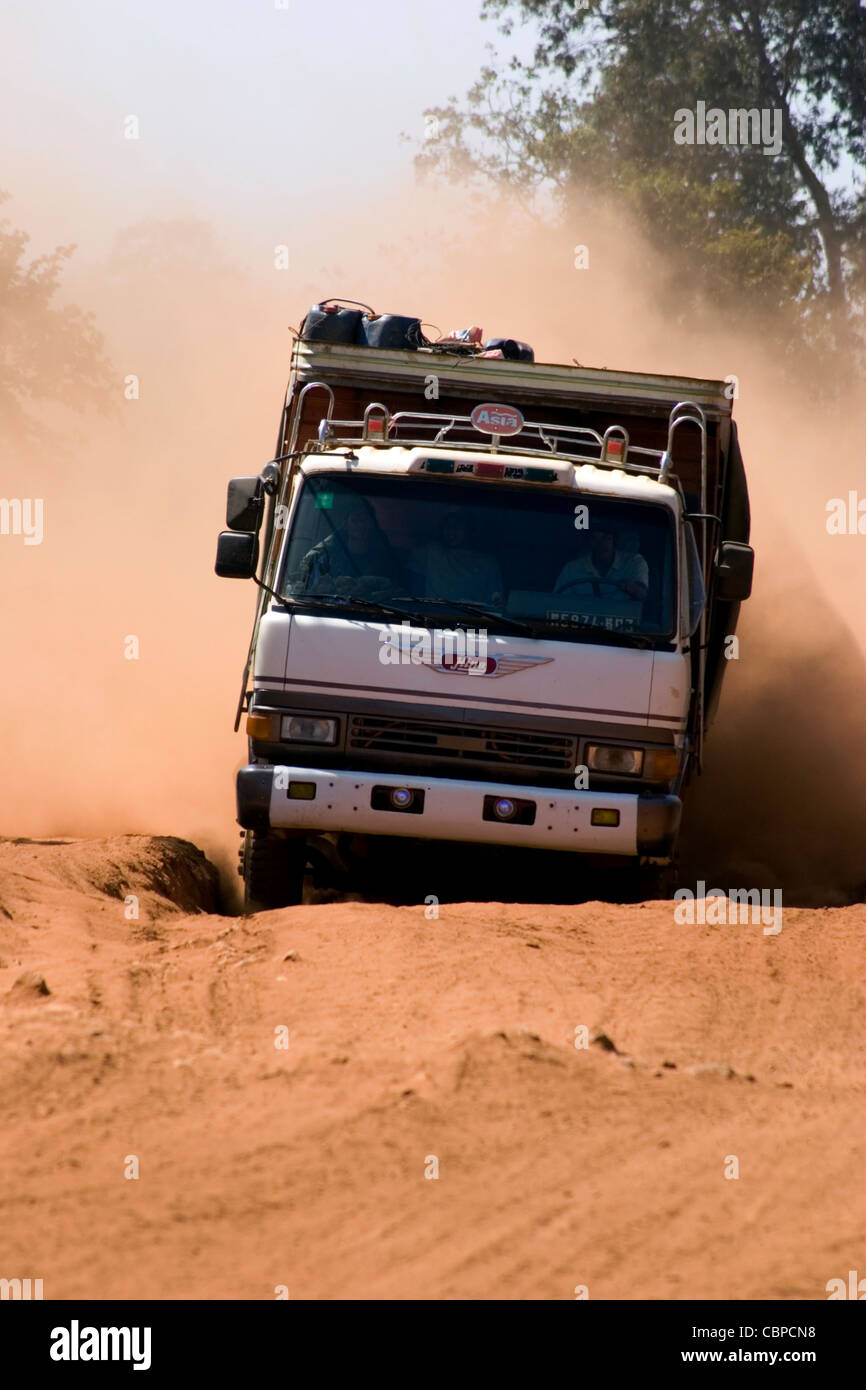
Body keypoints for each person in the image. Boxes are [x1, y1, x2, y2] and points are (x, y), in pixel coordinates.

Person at [299, 502, 400, 592]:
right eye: (355, 520)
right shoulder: (327, 557)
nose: (360, 525)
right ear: (346, 524)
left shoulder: (384, 559)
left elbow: (393, 590)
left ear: (372, 524)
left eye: (365, 520)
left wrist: (365, 586)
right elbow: (308, 589)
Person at [411, 509, 503, 606]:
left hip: (470, 619)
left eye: (458, 526)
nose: (451, 530)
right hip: (431, 617)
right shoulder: (430, 552)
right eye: (447, 525)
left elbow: (496, 604)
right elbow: (413, 597)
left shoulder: (487, 563)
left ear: (470, 529)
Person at [555, 526, 648, 602]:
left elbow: (643, 595)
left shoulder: (634, 562)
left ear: (614, 541)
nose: (601, 544)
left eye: (606, 538)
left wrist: (631, 588)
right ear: (589, 542)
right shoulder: (571, 569)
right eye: (595, 539)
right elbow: (557, 602)